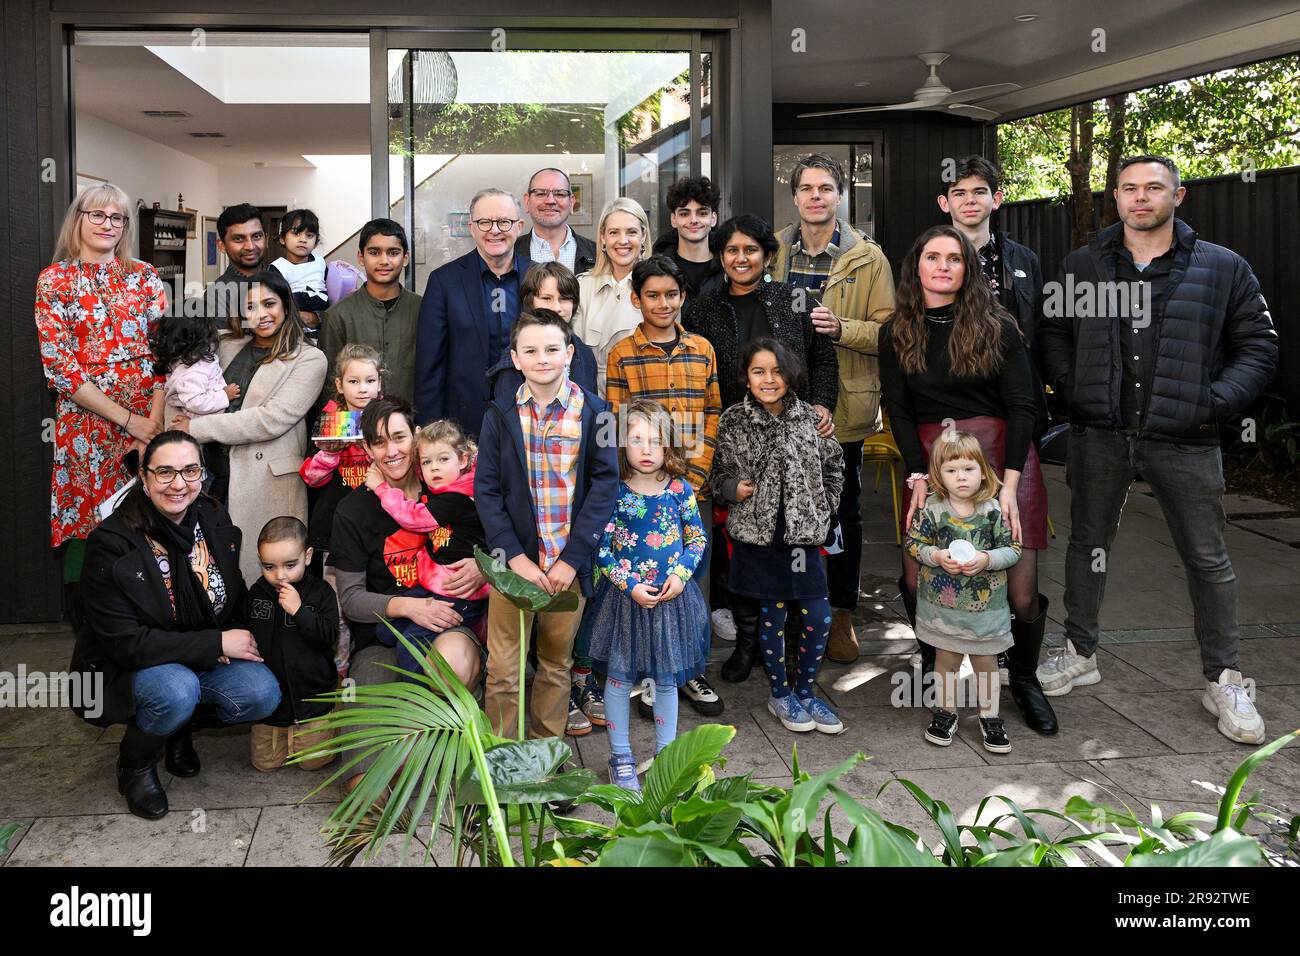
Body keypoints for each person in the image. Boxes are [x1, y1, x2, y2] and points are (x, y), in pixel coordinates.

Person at [1038, 155, 1278, 744]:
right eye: (1128, 189)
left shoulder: (1221, 268)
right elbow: (1054, 333)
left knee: (1206, 557)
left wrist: (1213, 402)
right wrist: (1075, 390)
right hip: (1101, 434)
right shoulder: (1084, 265)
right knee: (1088, 543)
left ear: (1179, 195)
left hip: (1186, 438)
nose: (1140, 198)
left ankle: (1223, 676)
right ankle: (1080, 651)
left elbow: (1258, 345)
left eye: (1153, 188)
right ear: (1114, 198)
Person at [879, 225, 1058, 735]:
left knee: (1019, 589)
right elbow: (899, 409)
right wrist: (916, 474)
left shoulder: (996, 325)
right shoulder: (895, 331)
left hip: (1005, 457)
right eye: (931, 257)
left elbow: (1024, 404)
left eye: (953, 259)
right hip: (933, 462)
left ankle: (1023, 679)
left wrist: (1009, 483)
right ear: (916, 266)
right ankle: (943, 674)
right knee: (921, 575)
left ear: (967, 268)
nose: (942, 266)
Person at [69, 431, 280, 819]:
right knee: (176, 689)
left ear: (202, 474)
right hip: (123, 667)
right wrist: (216, 642)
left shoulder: (212, 517)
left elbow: (231, 593)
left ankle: (177, 728)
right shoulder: (112, 542)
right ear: (145, 479)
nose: (178, 483)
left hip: (194, 653)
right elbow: (126, 644)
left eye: (189, 470)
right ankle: (134, 763)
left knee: (261, 691)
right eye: (164, 472)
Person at [684, 213, 839, 682]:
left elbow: (821, 357)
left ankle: (792, 645)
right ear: (721, 257)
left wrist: (822, 404)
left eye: (751, 249)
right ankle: (749, 642)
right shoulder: (702, 309)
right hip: (737, 437)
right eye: (731, 250)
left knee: (791, 540)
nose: (741, 258)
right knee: (744, 546)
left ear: (768, 256)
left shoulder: (793, 298)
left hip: (790, 429)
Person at [771, 153, 896, 664]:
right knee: (778, 509)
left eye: (826, 188)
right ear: (795, 195)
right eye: (807, 188)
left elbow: (890, 333)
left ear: (841, 195)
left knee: (840, 515)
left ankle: (841, 611)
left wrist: (843, 329)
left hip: (841, 410)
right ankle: (784, 610)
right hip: (779, 405)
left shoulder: (868, 257)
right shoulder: (774, 248)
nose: (816, 196)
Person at [327, 397, 488, 794]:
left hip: (451, 623)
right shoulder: (352, 510)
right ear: (366, 450)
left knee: (447, 664)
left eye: (399, 437)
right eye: (378, 443)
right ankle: (396, 753)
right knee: (368, 792)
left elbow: (508, 538)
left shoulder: (449, 486)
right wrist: (411, 607)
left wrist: (485, 566)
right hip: (385, 634)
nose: (392, 450)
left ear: (415, 438)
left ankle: (451, 744)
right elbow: (350, 600)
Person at [474, 310, 620, 739]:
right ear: (515, 358)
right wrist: (514, 558)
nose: (542, 358)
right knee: (502, 668)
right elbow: (487, 493)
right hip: (512, 566)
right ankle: (501, 755)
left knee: (556, 664)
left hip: (565, 569)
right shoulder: (498, 415)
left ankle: (545, 753)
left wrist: (572, 560)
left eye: (552, 349)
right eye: (531, 350)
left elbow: (605, 488)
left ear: (570, 354)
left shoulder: (601, 413)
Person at [36, 185, 166, 615]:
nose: (108, 225)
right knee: (91, 526)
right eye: (98, 215)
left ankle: (150, 625)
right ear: (78, 219)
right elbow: (61, 368)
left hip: (149, 422)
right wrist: (129, 420)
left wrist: (152, 426)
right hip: (86, 428)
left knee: (150, 521)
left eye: (118, 218)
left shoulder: (145, 276)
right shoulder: (54, 280)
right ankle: (94, 637)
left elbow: (166, 354)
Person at [606, 255, 724, 718]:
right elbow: (617, 425)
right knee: (642, 578)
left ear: (684, 297)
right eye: (652, 295)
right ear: (636, 299)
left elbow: (713, 411)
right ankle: (648, 673)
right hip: (641, 494)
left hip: (692, 488)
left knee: (693, 581)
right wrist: (635, 484)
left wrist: (696, 474)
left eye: (671, 294)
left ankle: (690, 669)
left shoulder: (702, 348)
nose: (662, 303)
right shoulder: (622, 354)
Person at [712, 339, 845, 735]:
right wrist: (731, 489)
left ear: (790, 375)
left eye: (776, 371)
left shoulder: (812, 418)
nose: (769, 380)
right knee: (773, 616)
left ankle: (806, 692)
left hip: (804, 537)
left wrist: (825, 505)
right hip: (760, 537)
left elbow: (834, 466)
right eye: (758, 371)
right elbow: (718, 474)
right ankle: (780, 694)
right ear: (746, 377)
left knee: (817, 618)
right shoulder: (733, 420)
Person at [172, 270, 327, 584]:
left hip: (264, 481)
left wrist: (197, 427)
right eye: (251, 307)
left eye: (269, 303)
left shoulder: (310, 358)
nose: (261, 314)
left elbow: (270, 419)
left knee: (264, 578)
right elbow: (183, 383)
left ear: (286, 305)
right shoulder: (224, 344)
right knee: (206, 573)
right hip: (210, 477)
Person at [588, 400, 711, 791]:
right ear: (621, 446)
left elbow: (696, 538)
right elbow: (601, 547)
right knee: (621, 680)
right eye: (635, 440)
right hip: (625, 602)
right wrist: (629, 585)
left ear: (668, 446)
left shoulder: (679, 490)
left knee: (666, 680)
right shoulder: (614, 492)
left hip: (671, 603)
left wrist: (680, 575)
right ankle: (621, 755)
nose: (645, 449)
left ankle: (667, 756)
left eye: (654, 441)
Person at [906, 432, 1021, 754]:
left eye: (968, 469)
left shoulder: (993, 510)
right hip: (944, 610)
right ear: (938, 475)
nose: (961, 477)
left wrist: (987, 559)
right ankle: (946, 711)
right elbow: (914, 544)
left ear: (983, 470)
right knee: (946, 660)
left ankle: (990, 715)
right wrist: (936, 556)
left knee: (987, 662)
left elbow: (1013, 549)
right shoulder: (931, 509)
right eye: (951, 470)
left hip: (987, 612)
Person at [365, 418, 490, 681]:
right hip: (435, 584)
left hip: (459, 592)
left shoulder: (459, 497)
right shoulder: (443, 489)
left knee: (409, 642)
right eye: (427, 462)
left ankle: (416, 694)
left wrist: (381, 488)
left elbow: (414, 518)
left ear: (463, 460)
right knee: (385, 631)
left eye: (443, 459)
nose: (435, 468)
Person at [415, 188, 532, 434]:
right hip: (463, 422)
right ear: (472, 228)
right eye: (485, 222)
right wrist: (431, 428)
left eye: (504, 221)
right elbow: (430, 365)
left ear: (519, 226)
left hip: (530, 418)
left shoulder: (539, 277)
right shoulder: (444, 282)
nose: (495, 230)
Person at [299, 343, 383, 675]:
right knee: (336, 605)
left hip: (379, 529)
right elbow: (311, 478)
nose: (362, 389)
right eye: (353, 381)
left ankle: (370, 666)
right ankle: (337, 673)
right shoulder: (329, 421)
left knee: (371, 597)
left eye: (369, 381)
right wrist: (331, 452)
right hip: (334, 532)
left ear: (380, 383)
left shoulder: (387, 419)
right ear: (339, 384)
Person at [244, 516, 340, 771]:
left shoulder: (321, 593)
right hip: (273, 703)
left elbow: (328, 636)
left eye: (289, 565)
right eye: (269, 567)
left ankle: (326, 725)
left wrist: (300, 611)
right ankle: (284, 737)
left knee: (313, 763)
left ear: (307, 556)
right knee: (265, 764)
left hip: (313, 696)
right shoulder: (257, 593)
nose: (279, 575)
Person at [318, 218, 421, 407]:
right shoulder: (338, 316)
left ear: (405, 258)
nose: (384, 260)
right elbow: (328, 387)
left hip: (411, 426)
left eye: (393, 252)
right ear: (360, 257)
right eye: (374, 252)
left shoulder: (423, 309)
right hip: (354, 429)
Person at [488, 262, 599, 399]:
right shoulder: (514, 361)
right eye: (546, 298)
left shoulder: (585, 354)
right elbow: (507, 417)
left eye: (564, 299)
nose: (556, 307)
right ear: (530, 302)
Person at [574, 197, 650, 393]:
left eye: (631, 232)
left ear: (643, 236)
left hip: (642, 398)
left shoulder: (659, 288)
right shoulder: (582, 287)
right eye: (614, 232)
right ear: (603, 238)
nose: (622, 241)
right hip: (591, 397)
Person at [651, 176, 724, 310]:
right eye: (685, 214)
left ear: (713, 219)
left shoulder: (728, 268)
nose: (694, 220)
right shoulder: (658, 270)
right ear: (674, 219)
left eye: (702, 213)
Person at [153, 312, 240, 423]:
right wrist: (224, 396)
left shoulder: (189, 356)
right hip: (204, 418)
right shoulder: (191, 373)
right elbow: (196, 403)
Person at [514, 167, 597, 274]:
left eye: (559, 194)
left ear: (571, 202)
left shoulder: (597, 254)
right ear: (527, 201)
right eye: (541, 194)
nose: (550, 201)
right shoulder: (509, 254)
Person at [271, 208, 330, 343]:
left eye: (309, 235)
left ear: (316, 241)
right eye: (296, 233)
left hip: (322, 329)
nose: (303, 240)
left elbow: (330, 289)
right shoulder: (277, 268)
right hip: (292, 335)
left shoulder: (320, 262)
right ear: (282, 239)